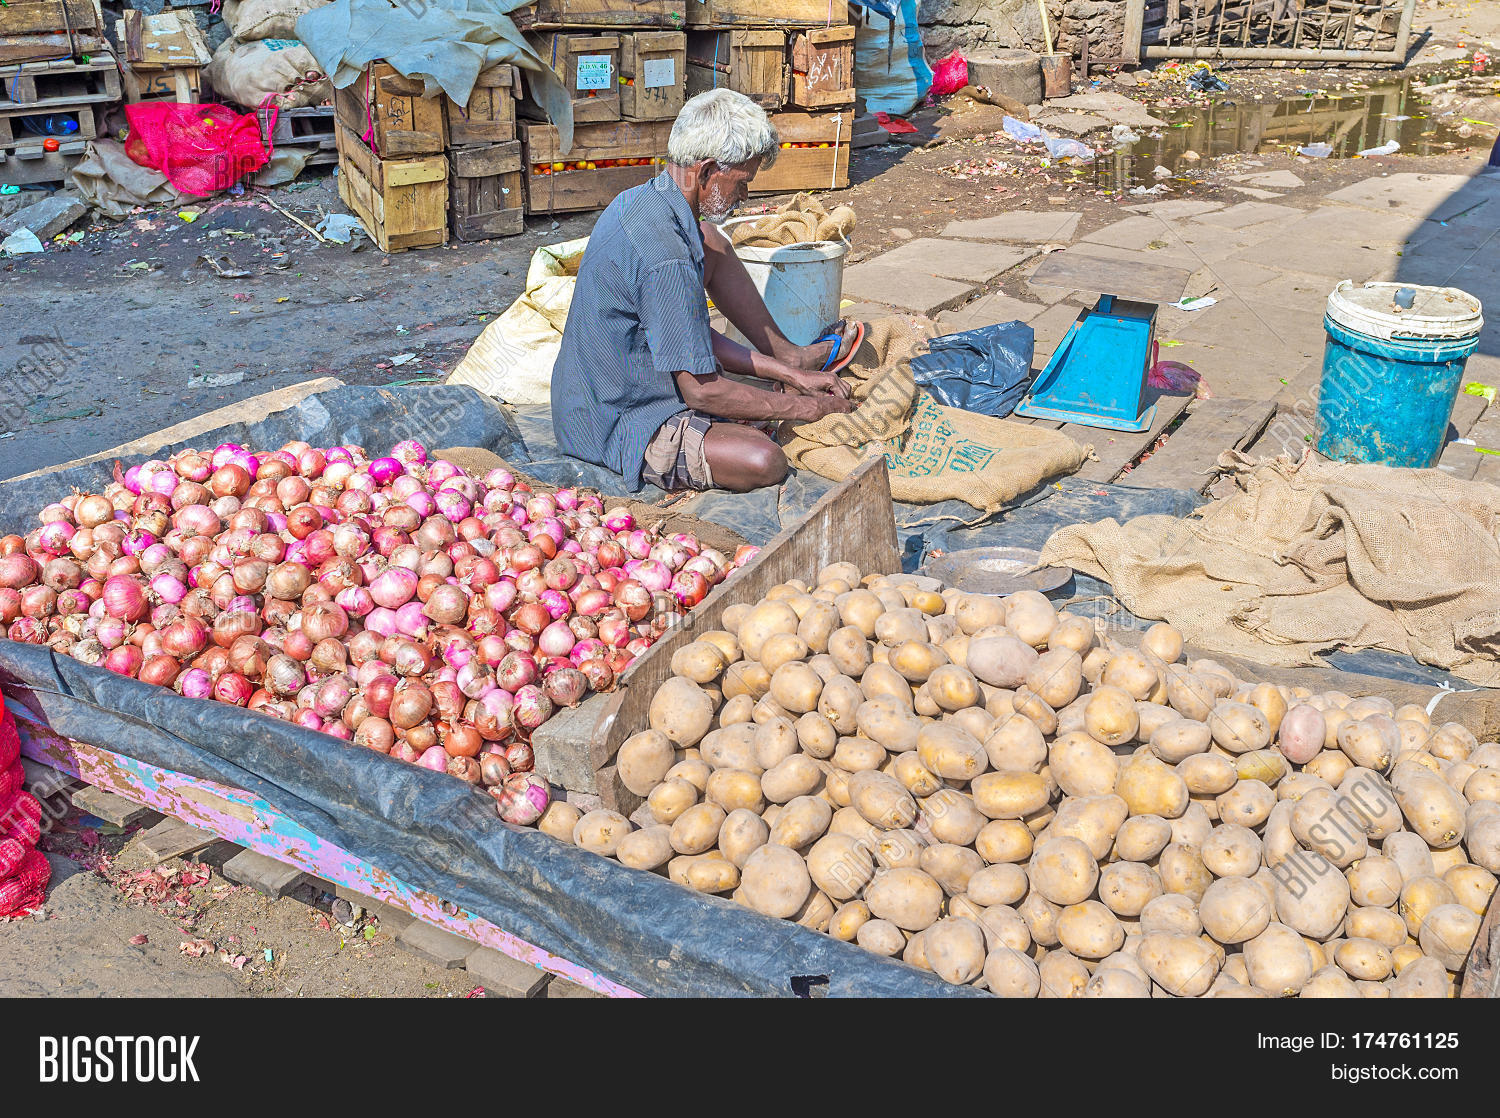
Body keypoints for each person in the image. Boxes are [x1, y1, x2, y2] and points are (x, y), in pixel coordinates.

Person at [550, 88, 861, 493]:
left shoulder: (641, 199)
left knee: (710, 238)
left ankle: (791, 354)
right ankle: (783, 380)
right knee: (763, 460)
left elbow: (685, 330)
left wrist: (786, 372)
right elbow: (700, 391)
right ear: (708, 170)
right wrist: (807, 407)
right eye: (743, 181)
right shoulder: (667, 258)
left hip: (585, 395)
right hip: (617, 419)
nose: (745, 195)